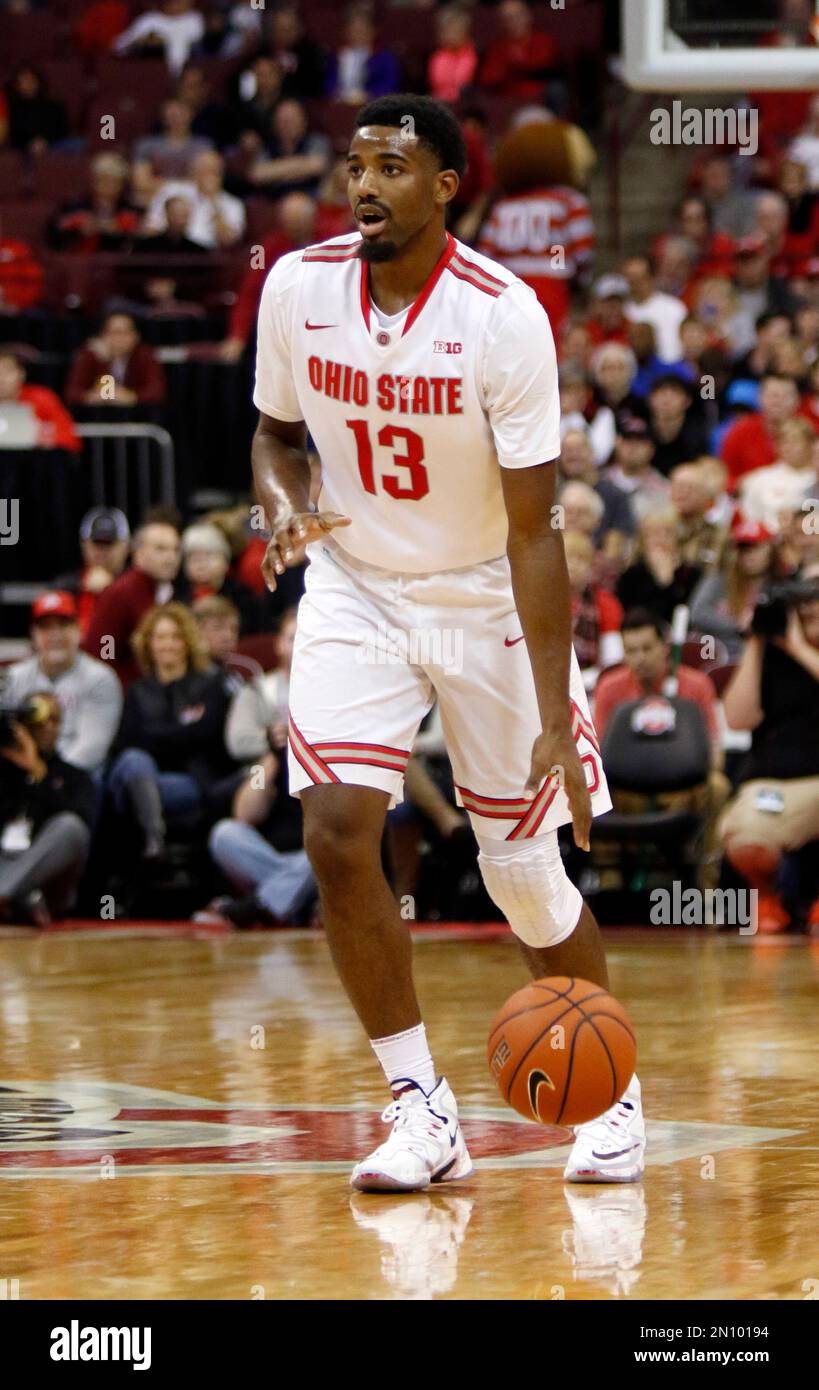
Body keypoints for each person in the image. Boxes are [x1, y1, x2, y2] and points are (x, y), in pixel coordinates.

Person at [251, 94, 642, 1193]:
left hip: (485, 596)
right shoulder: (296, 287)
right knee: (334, 831)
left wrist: (561, 708)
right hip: (356, 585)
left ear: (445, 187)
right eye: (352, 164)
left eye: (390, 165)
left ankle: (611, 1095)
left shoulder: (504, 314)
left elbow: (535, 530)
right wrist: (283, 504)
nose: (363, 183)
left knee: (520, 870)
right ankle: (421, 1106)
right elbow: (277, 435)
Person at [593, 609, 729, 891]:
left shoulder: (696, 686)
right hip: (626, 794)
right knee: (590, 788)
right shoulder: (610, 689)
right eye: (631, 650)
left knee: (718, 786)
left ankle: (707, 890)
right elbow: (598, 757)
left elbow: (715, 753)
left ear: (664, 647)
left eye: (647, 648)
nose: (639, 658)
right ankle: (609, 887)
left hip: (682, 794)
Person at [721, 566, 819, 934]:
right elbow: (738, 718)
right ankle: (767, 898)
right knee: (747, 841)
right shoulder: (769, 656)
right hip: (777, 786)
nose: (808, 604)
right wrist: (756, 643)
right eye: (801, 597)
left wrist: (800, 647)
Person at [107, 603, 238, 860]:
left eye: (175, 637)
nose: (167, 644)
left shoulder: (209, 684)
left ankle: (151, 842)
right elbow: (125, 744)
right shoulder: (138, 691)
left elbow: (207, 737)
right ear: (149, 644)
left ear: (187, 642)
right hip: (138, 775)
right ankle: (155, 835)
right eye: (160, 637)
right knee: (134, 761)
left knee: (140, 775)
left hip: (188, 780)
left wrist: (156, 736)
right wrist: (181, 731)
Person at [2, 591, 123, 776]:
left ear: (79, 629)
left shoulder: (100, 678)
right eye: (46, 627)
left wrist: (44, 775)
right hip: (22, 769)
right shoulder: (13, 677)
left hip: (78, 777)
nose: (55, 635)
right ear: (33, 634)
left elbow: (91, 749)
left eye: (63, 625)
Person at [0, 692, 95, 926]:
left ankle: (8, 894)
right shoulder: (4, 772)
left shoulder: (75, 777)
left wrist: (38, 772)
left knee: (70, 826)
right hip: (4, 862)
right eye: (40, 719)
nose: (47, 727)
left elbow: (77, 834)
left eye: (55, 720)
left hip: (47, 879)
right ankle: (18, 899)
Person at [83, 520, 182, 686]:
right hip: (130, 696)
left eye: (176, 550)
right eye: (160, 549)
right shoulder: (120, 593)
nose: (170, 557)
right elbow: (104, 648)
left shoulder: (171, 592)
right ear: (138, 553)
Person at [688, 518, 781, 660]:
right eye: (743, 549)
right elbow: (697, 613)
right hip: (717, 656)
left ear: (771, 550)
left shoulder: (779, 586)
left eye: (755, 547)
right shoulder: (719, 580)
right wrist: (737, 626)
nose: (748, 555)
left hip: (760, 659)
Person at [52, 507, 132, 639]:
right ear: (84, 545)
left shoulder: (137, 587)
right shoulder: (65, 588)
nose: (102, 551)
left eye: (109, 544)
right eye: (96, 543)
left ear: (125, 546)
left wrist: (111, 591)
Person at [719, 373, 807, 490]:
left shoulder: (810, 432)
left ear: (798, 400)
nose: (778, 402)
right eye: (772, 396)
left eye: (785, 396)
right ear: (759, 398)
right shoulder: (739, 431)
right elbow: (725, 478)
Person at [616, 507, 702, 625]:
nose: (661, 539)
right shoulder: (631, 574)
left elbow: (686, 615)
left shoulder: (691, 573)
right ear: (643, 540)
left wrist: (667, 583)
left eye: (668, 532)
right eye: (653, 533)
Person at [143, 149, 245, 249]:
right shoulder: (171, 191)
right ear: (193, 171)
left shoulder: (233, 204)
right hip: (169, 252)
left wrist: (213, 201)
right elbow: (149, 230)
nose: (208, 176)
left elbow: (228, 242)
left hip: (206, 259)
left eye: (214, 171)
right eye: (203, 170)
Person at [65, 313, 166, 411]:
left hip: (136, 416)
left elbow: (156, 392)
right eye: (113, 333)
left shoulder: (145, 355)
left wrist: (131, 397)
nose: (118, 339)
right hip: (99, 417)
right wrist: (92, 396)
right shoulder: (90, 355)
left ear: (136, 336)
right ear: (103, 335)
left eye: (124, 333)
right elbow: (72, 393)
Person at [564, 531, 623, 692]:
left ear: (591, 568)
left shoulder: (606, 604)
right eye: (568, 557)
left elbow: (613, 660)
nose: (573, 565)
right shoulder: (541, 600)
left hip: (590, 684)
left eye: (581, 559)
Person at [48, 153, 139, 254]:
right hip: (78, 263)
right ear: (94, 181)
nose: (108, 187)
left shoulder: (129, 209)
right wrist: (79, 232)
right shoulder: (74, 206)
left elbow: (134, 247)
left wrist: (115, 232)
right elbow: (53, 238)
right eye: (103, 180)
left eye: (114, 182)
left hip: (115, 264)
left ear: (122, 185)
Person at [179, 522, 258, 632]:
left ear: (225, 561)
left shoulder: (243, 597)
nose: (200, 564)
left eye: (208, 556)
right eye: (193, 558)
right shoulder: (178, 599)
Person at [245, 100, 331, 201]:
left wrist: (275, 173)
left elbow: (317, 165)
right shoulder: (267, 149)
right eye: (282, 121)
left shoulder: (316, 141)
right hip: (275, 201)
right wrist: (301, 167)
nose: (286, 125)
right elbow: (257, 175)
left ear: (304, 121)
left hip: (310, 200)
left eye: (291, 120)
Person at [0, 350, 80, 452]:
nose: (1, 378)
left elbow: (70, 439)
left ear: (21, 374)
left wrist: (49, 438)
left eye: (7, 371)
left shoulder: (42, 398)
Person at [324, 8, 401, 105]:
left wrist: (368, 96)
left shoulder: (384, 58)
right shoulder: (337, 56)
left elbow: (390, 86)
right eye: (353, 30)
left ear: (372, 31)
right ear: (345, 32)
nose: (357, 35)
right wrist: (337, 94)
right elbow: (328, 82)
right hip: (340, 103)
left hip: (371, 105)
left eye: (361, 30)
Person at [621, 254, 687, 363]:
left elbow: (677, 349)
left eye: (639, 277)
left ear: (651, 277)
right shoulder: (622, 311)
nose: (634, 283)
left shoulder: (673, 308)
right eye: (630, 278)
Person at [112, 0, 205, 77]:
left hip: (187, 79)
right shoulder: (148, 20)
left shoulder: (195, 19)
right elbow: (118, 46)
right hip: (152, 76)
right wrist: (142, 41)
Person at [132, 98, 213, 179]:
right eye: (172, 115)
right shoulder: (147, 145)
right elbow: (140, 179)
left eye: (181, 114)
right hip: (156, 190)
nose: (177, 119)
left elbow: (210, 179)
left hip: (195, 190)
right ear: (163, 117)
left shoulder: (203, 146)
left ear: (191, 115)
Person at [5, 65, 69, 153]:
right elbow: (13, 136)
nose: (27, 85)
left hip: (55, 146)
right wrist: (29, 144)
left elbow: (64, 130)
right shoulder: (13, 109)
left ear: (38, 81)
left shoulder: (54, 106)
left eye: (29, 80)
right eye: (22, 82)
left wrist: (45, 141)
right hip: (24, 152)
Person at [427, 5, 479, 104]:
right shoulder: (437, 56)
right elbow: (436, 85)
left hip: (466, 106)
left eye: (454, 28)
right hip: (439, 105)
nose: (449, 33)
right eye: (445, 29)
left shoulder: (476, 55)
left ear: (466, 31)